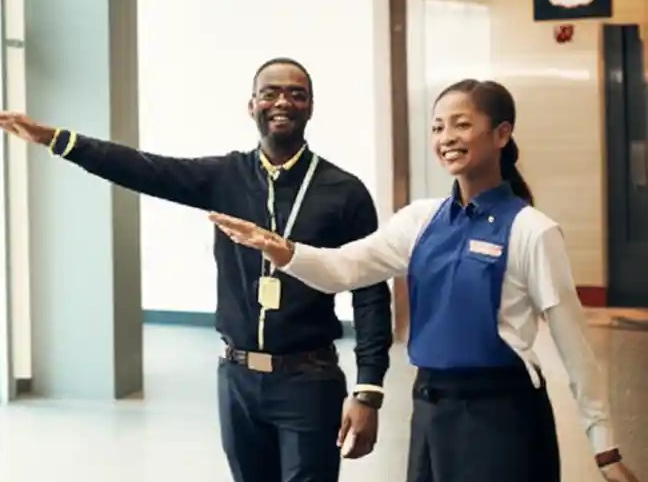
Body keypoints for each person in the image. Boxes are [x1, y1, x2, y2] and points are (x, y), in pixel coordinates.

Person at [0, 58, 394, 482]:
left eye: (295, 94)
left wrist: (368, 390)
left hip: (310, 381)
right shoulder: (225, 177)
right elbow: (142, 168)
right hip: (237, 380)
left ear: (310, 107)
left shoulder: (344, 193)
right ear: (252, 106)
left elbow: (371, 294)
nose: (282, 101)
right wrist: (54, 139)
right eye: (270, 92)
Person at [209, 78, 639, 482]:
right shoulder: (421, 220)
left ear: (501, 134)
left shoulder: (532, 230)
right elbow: (343, 268)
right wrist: (278, 248)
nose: (446, 137)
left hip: (502, 414)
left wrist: (603, 445)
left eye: (462, 124)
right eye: (438, 127)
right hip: (430, 406)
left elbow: (574, 346)